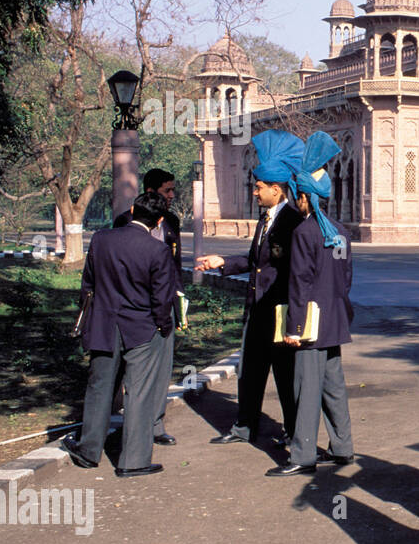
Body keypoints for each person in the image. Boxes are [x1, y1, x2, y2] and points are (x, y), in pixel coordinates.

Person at [195, 130, 305, 447]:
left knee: (286, 376)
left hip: (280, 311)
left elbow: (294, 271)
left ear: (276, 189)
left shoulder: (293, 222)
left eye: (258, 187)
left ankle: (294, 432)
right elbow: (256, 261)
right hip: (257, 310)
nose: (254, 192)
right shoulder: (265, 219)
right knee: (250, 370)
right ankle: (244, 426)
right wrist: (222, 263)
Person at [60, 191, 177, 477]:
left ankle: (89, 450)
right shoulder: (157, 250)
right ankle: (133, 460)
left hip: (103, 324)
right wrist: (163, 326)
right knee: (139, 392)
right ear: (159, 220)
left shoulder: (101, 239)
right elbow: (161, 298)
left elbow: (88, 284)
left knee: (100, 387)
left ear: (133, 210)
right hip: (141, 327)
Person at [268, 131, 355, 478]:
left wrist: (294, 328)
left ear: (305, 197)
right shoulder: (340, 231)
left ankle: (302, 455)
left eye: (297, 196)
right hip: (335, 320)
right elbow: (345, 280)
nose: (296, 202)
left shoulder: (305, 232)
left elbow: (299, 283)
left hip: (311, 325)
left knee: (305, 388)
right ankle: (343, 446)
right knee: (332, 386)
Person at [114, 168, 181, 446]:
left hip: (165, 303)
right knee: (133, 369)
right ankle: (131, 425)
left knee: (162, 367)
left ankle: (155, 424)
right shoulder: (124, 221)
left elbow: (174, 264)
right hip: (133, 306)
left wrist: (178, 298)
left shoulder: (171, 221)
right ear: (151, 191)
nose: (172, 195)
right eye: (167, 190)